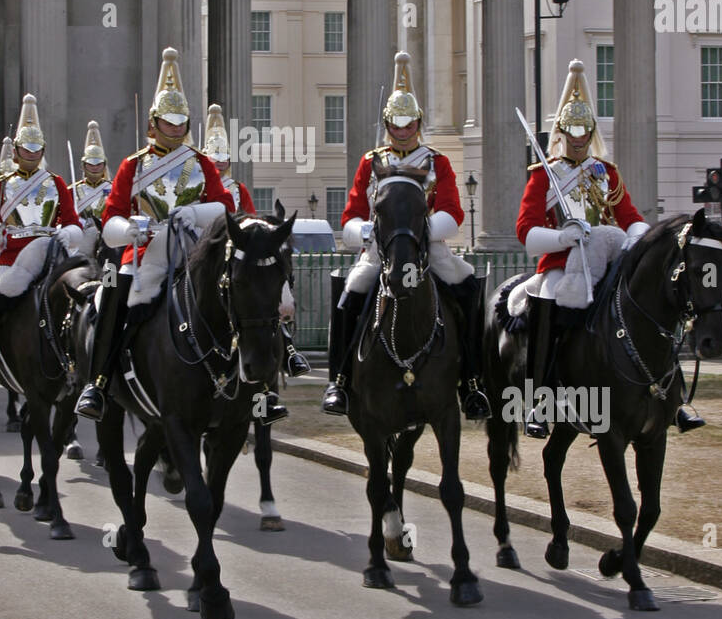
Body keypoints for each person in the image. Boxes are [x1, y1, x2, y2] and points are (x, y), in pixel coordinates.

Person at [322, 51, 489, 419]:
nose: (402, 130)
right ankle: (339, 379)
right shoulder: (371, 162)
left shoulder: (437, 162)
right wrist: (368, 231)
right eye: (396, 123)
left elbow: (452, 211)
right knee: (350, 294)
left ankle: (474, 381)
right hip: (381, 250)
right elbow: (351, 214)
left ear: (418, 122)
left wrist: (423, 232)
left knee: (468, 288)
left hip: (429, 249)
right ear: (387, 124)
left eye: (408, 122)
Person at [75, 47, 237, 421]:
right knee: (112, 297)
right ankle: (98, 383)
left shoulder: (201, 164)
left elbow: (226, 207)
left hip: (194, 251)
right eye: (169, 120)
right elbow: (112, 216)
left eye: (182, 120)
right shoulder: (133, 165)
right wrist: (129, 229)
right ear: (154, 122)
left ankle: (257, 385)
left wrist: (193, 212)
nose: (177, 127)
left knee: (241, 294)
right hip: (144, 253)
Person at [516, 58, 652, 437]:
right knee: (547, 303)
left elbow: (630, 216)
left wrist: (636, 237)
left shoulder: (606, 172)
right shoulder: (544, 174)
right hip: (561, 261)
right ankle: (540, 400)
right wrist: (562, 237)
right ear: (562, 131)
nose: (577, 138)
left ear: (591, 131)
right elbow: (526, 231)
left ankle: (662, 393)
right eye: (571, 130)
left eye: (584, 130)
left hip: (606, 257)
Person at [0, 95, 82, 397]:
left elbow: (73, 220)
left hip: (52, 255)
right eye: (27, 148)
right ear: (16, 150)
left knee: (84, 292)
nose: (32, 153)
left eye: (37, 149)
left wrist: (69, 233)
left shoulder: (56, 183)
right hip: (14, 261)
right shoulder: (1, 185)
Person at [203, 102, 309, 379]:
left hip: (238, 251)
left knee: (273, 295)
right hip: (210, 249)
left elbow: (248, 218)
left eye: (225, 156)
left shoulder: (238, 188)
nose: (221, 161)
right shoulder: (198, 185)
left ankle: (288, 350)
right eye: (215, 157)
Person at [70, 120, 112, 262]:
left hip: (108, 238)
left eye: (98, 164)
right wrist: (79, 223)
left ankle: (112, 283)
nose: (95, 167)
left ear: (104, 165)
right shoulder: (72, 190)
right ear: (83, 165)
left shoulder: (113, 188)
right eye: (90, 164)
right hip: (81, 239)